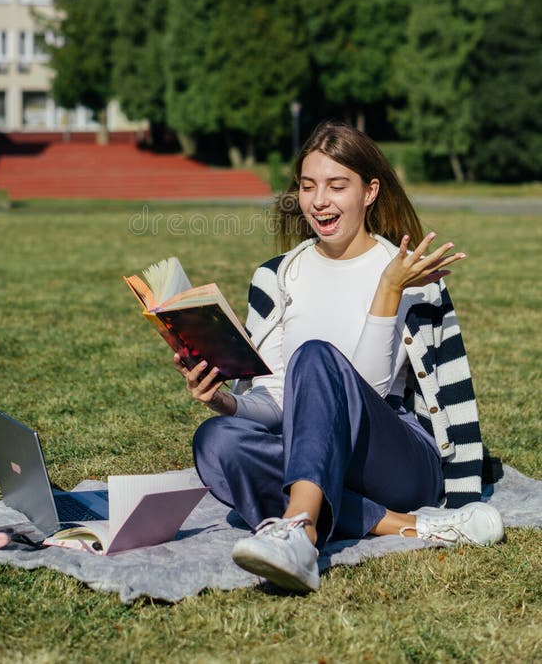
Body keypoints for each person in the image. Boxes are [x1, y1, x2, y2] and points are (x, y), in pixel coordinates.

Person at [174, 121, 504, 592]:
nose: (319, 200)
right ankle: (401, 526)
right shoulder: (276, 277)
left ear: (369, 192)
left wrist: (389, 288)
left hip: (395, 456)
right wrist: (223, 402)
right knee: (216, 442)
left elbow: (451, 388)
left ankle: (301, 532)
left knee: (315, 357)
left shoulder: (412, 277)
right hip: (315, 447)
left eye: (336, 185)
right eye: (308, 187)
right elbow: (274, 399)